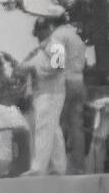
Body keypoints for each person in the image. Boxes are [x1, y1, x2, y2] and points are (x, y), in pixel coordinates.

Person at [18, 18, 67, 177]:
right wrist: (27, 66)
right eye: (38, 31)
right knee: (53, 129)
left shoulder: (56, 46)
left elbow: (58, 66)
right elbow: (23, 68)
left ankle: (39, 167)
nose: (39, 34)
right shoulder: (40, 49)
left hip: (52, 92)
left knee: (44, 127)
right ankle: (58, 166)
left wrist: (35, 69)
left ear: (48, 29)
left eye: (41, 30)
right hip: (42, 93)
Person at [48, 14, 88, 174]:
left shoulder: (57, 35)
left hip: (64, 81)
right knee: (76, 125)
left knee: (57, 124)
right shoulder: (76, 37)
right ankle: (78, 167)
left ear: (52, 21)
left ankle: (58, 167)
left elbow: (57, 64)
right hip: (79, 81)